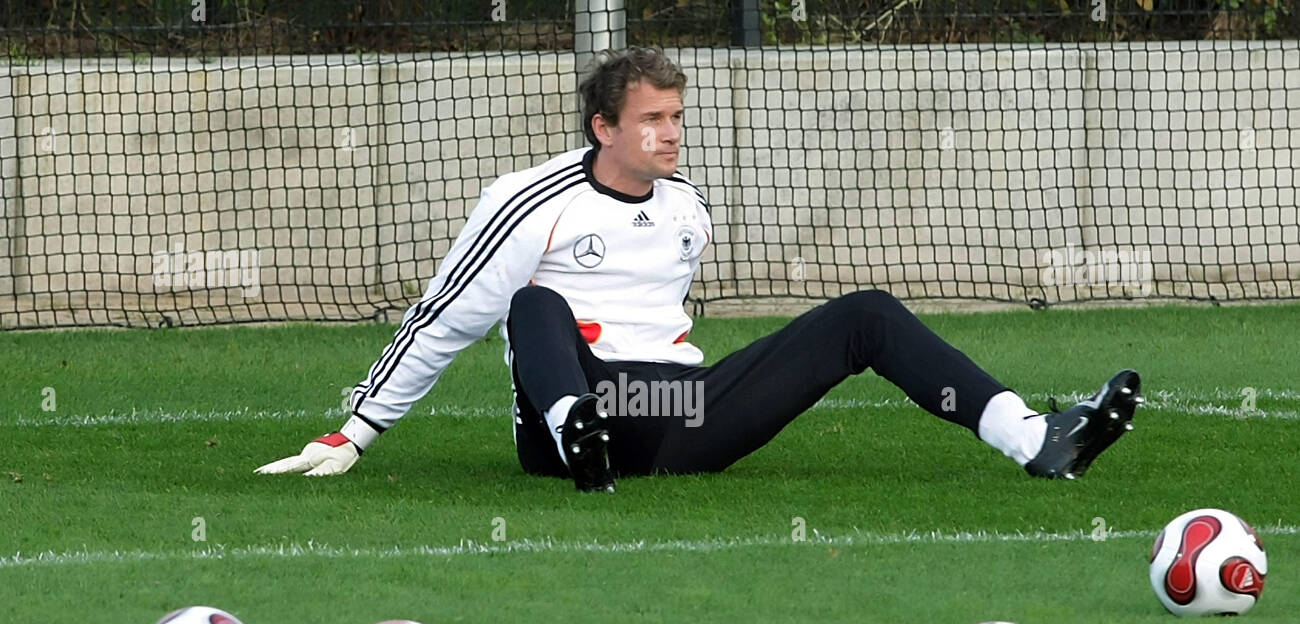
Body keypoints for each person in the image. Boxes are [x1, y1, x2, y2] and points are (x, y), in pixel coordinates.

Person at [256, 47, 1142, 492]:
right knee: (533, 301)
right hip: (571, 418)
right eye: (651, 119)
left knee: (866, 312)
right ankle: (581, 436)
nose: (670, 133)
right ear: (604, 127)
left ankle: (1039, 440)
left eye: (676, 116)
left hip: (676, 411)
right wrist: (356, 432)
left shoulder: (688, 208)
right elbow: (446, 315)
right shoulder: (529, 200)